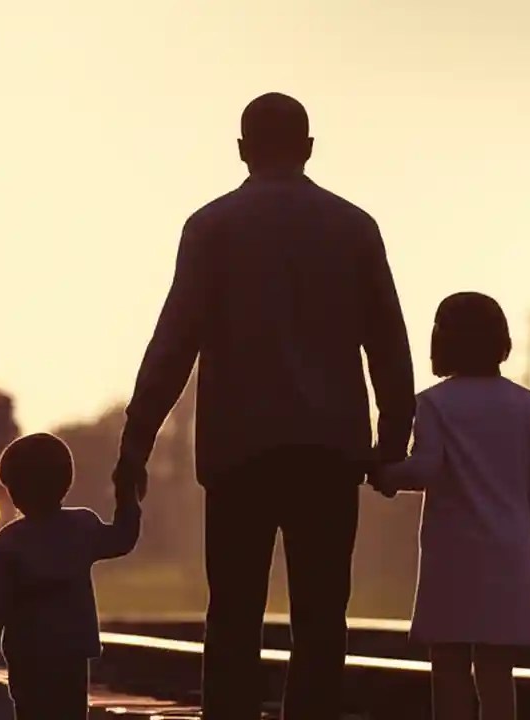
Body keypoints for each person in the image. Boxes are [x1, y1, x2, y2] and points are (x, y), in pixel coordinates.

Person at [112, 92, 415, 719]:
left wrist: (135, 443)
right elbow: (388, 340)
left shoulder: (211, 227)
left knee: (233, 613)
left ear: (243, 151)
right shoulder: (354, 226)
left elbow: (174, 342)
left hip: (239, 452)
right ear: (308, 148)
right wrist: (391, 446)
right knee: (322, 614)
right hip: (329, 452)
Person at [373, 291, 530, 720]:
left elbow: (425, 470)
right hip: (508, 553)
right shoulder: (528, 406)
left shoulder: (435, 403)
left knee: (450, 668)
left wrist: (382, 472)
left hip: (452, 555)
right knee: (496, 673)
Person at [0, 432, 141, 720]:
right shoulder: (82, 527)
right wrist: (128, 497)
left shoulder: (5, 545)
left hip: (29, 657)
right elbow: (123, 539)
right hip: (72, 652)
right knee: (72, 712)